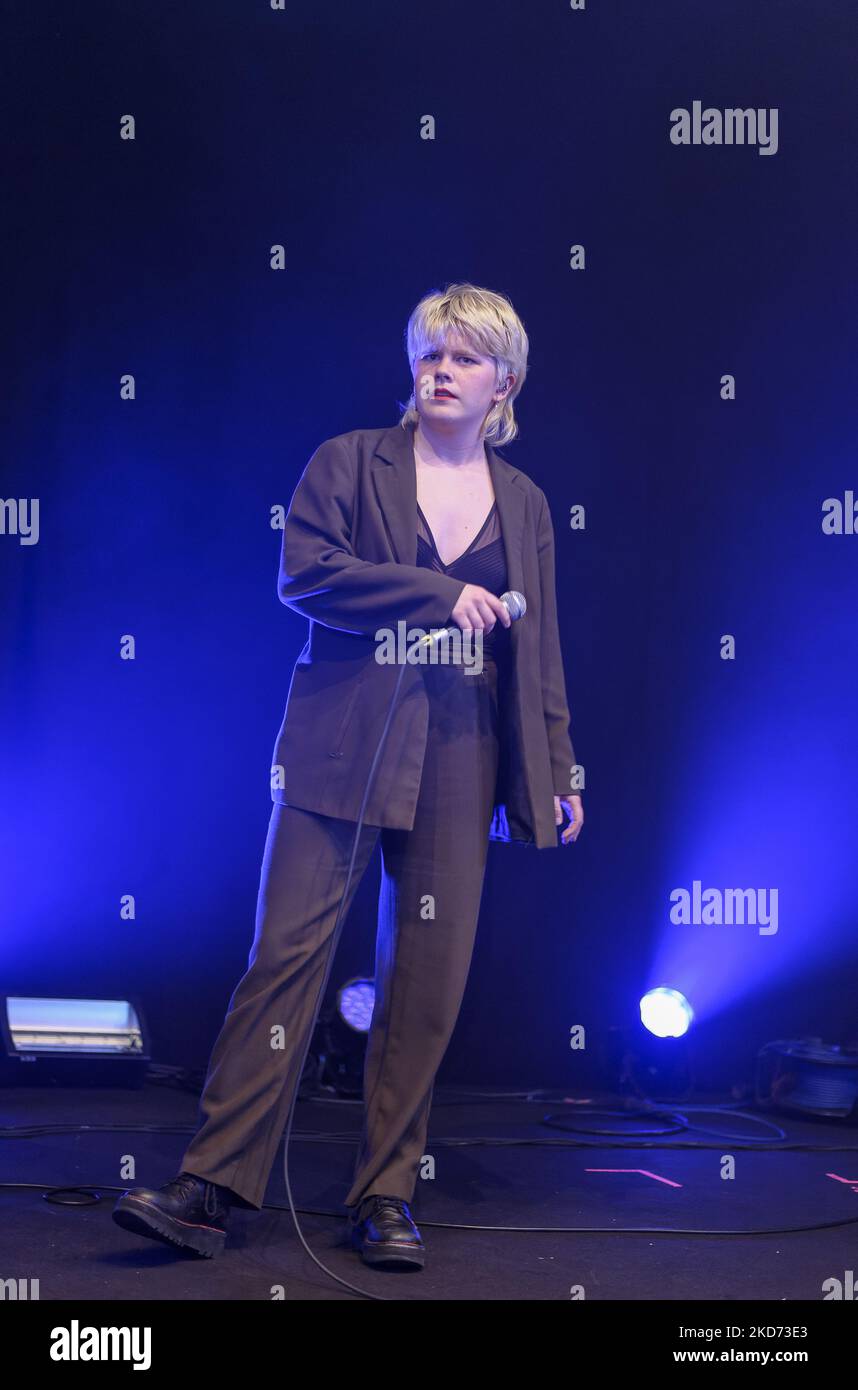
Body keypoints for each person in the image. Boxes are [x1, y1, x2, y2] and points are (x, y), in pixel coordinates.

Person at [112, 282, 584, 1270]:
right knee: (284, 957)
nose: (439, 369)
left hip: (462, 753)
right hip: (339, 743)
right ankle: (211, 1185)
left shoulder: (528, 502)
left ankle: (385, 1194)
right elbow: (306, 572)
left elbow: (537, 654)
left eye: (462, 356)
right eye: (428, 352)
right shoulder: (349, 461)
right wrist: (437, 589)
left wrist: (556, 768)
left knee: (425, 986)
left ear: (505, 379)